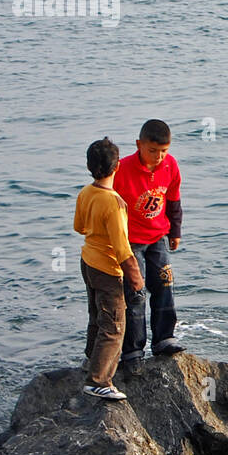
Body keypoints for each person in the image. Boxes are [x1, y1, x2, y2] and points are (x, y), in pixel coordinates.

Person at [73, 137, 146, 401]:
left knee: (96, 316)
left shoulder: (86, 193)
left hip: (88, 261)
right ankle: (99, 380)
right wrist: (136, 278)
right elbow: (122, 249)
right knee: (114, 325)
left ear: (89, 167)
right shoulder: (115, 203)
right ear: (117, 168)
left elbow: (79, 227)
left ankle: (90, 360)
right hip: (107, 269)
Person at [113, 119, 185, 366]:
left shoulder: (171, 165)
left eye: (164, 151)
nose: (159, 156)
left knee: (165, 285)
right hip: (130, 242)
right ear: (139, 145)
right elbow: (107, 205)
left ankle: (164, 338)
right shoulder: (121, 169)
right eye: (153, 151)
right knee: (136, 293)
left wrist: (175, 231)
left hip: (158, 237)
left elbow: (173, 200)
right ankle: (132, 349)